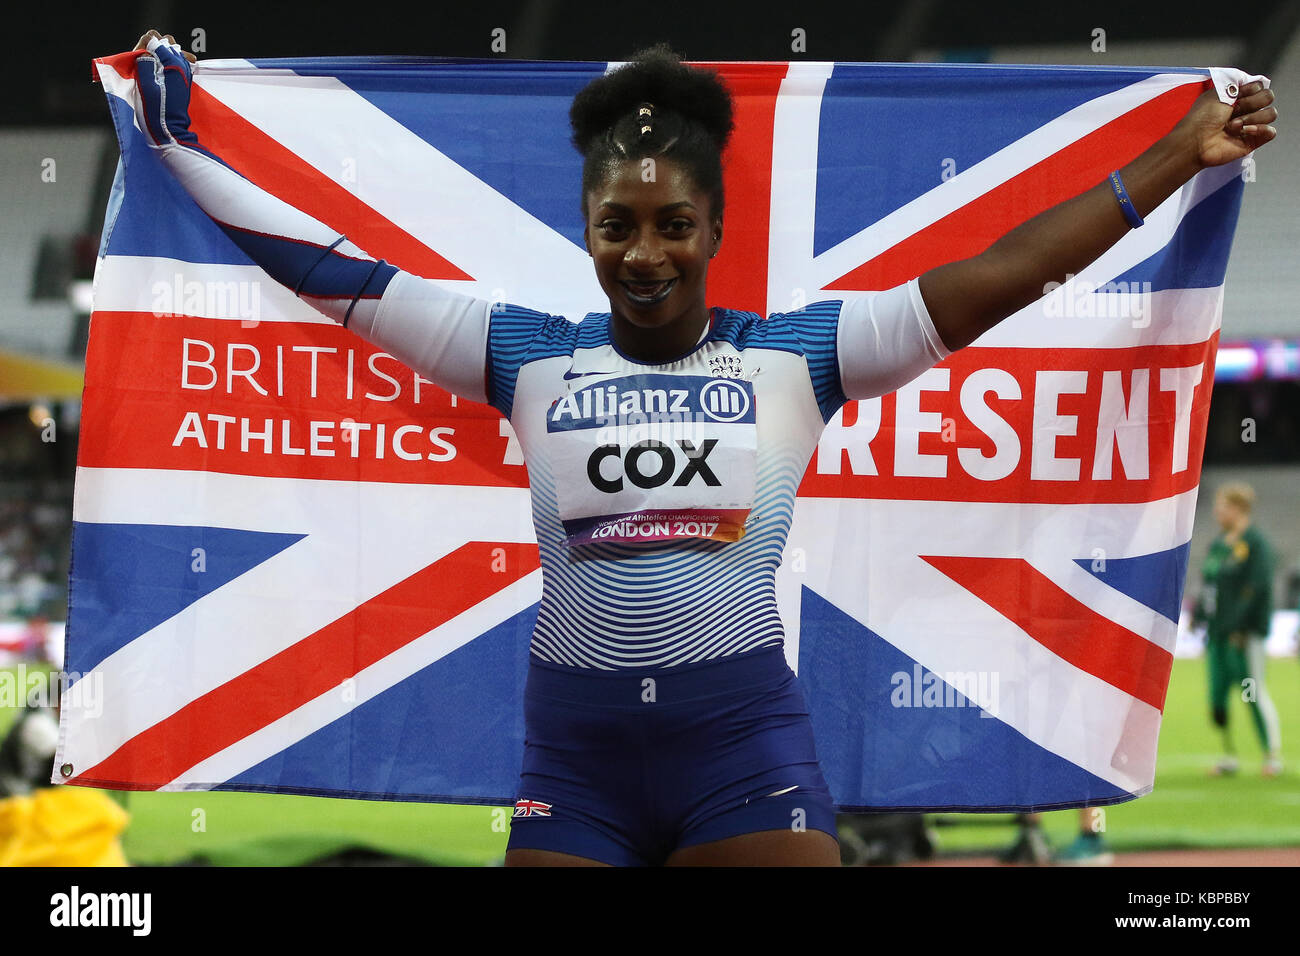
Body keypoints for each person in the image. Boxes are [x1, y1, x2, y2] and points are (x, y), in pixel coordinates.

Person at [125, 30, 1277, 866]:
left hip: (743, 750)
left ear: (713, 230)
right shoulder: (523, 355)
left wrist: (1181, 154)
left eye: (672, 224)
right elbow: (328, 272)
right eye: (616, 225)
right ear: (586, 231)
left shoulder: (803, 357)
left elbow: (1015, 270)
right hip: (571, 764)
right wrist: (178, 146)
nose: (644, 252)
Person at [1191, 482, 1283, 776]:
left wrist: (1246, 627)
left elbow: (1258, 588)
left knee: (1252, 690)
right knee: (1217, 695)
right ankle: (1228, 755)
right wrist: (1200, 614)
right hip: (1217, 634)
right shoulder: (1219, 544)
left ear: (1239, 509)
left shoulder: (1255, 544)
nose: (1218, 512)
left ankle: (1271, 756)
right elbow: (1209, 584)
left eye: (1223, 507)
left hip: (1243, 635)